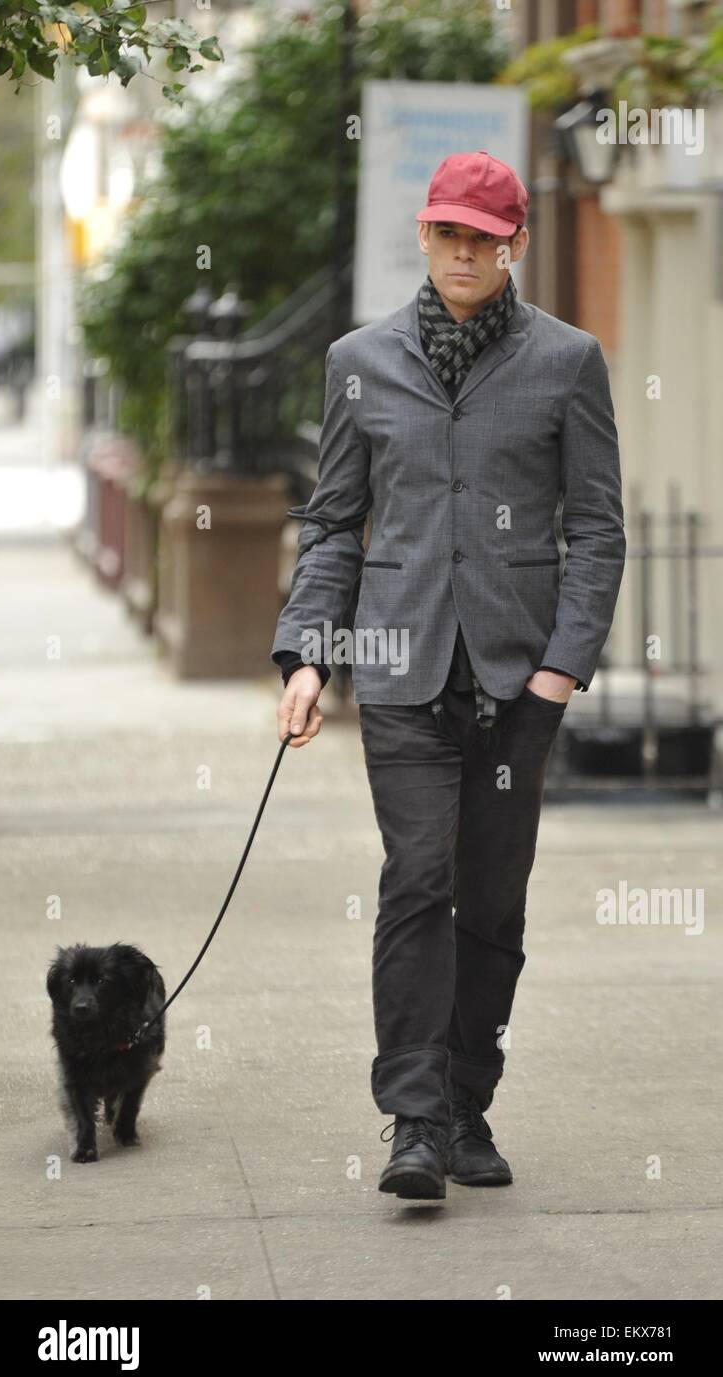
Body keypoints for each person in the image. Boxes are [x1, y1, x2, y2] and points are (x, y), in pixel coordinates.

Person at [270, 150, 626, 1201]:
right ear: (424, 237)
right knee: (417, 882)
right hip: (396, 668)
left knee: (493, 905)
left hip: (521, 684)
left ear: (512, 242)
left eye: (483, 235)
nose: (463, 252)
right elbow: (333, 522)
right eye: (446, 233)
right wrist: (305, 652)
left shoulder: (568, 362)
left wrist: (564, 667)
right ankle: (416, 1120)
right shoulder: (358, 361)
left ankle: (470, 1099)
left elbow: (599, 530)